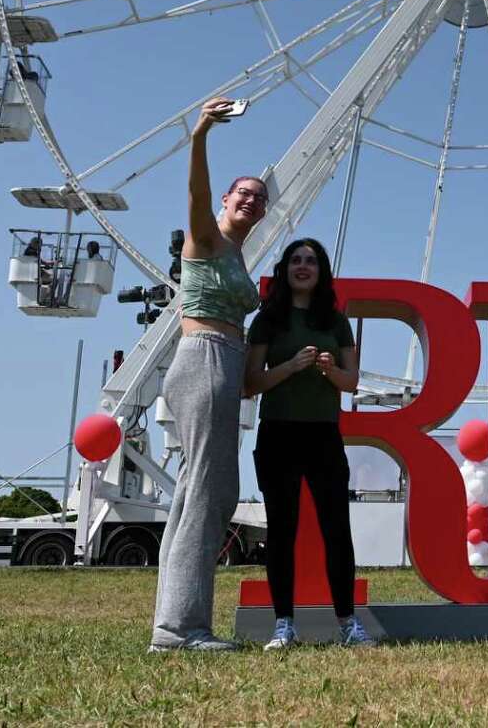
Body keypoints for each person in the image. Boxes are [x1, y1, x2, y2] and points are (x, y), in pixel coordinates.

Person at [149, 97, 268, 653]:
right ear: (225, 200)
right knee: (211, 491)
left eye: (259, 198)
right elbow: (195, 192)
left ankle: (172, 624)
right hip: (204, 355)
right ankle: (181, 629)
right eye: (243, 193)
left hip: (221, 360)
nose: (250, 200)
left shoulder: (240, 257)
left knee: (199, 492)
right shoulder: (206, 240)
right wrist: (200, 132)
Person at [244, 238, 371, 650]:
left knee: (337, 529)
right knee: (282, 530)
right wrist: (291, 366)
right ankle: (283, 624)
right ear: (284, 269)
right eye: (295, 260)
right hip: (278, 432)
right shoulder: (267, 320)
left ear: (322, 271)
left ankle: (348, 623)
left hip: (323, 433)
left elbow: (350, 382)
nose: (302, 266)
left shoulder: (336, 322)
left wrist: (329, 369)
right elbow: (250, 384)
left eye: (310, 261)